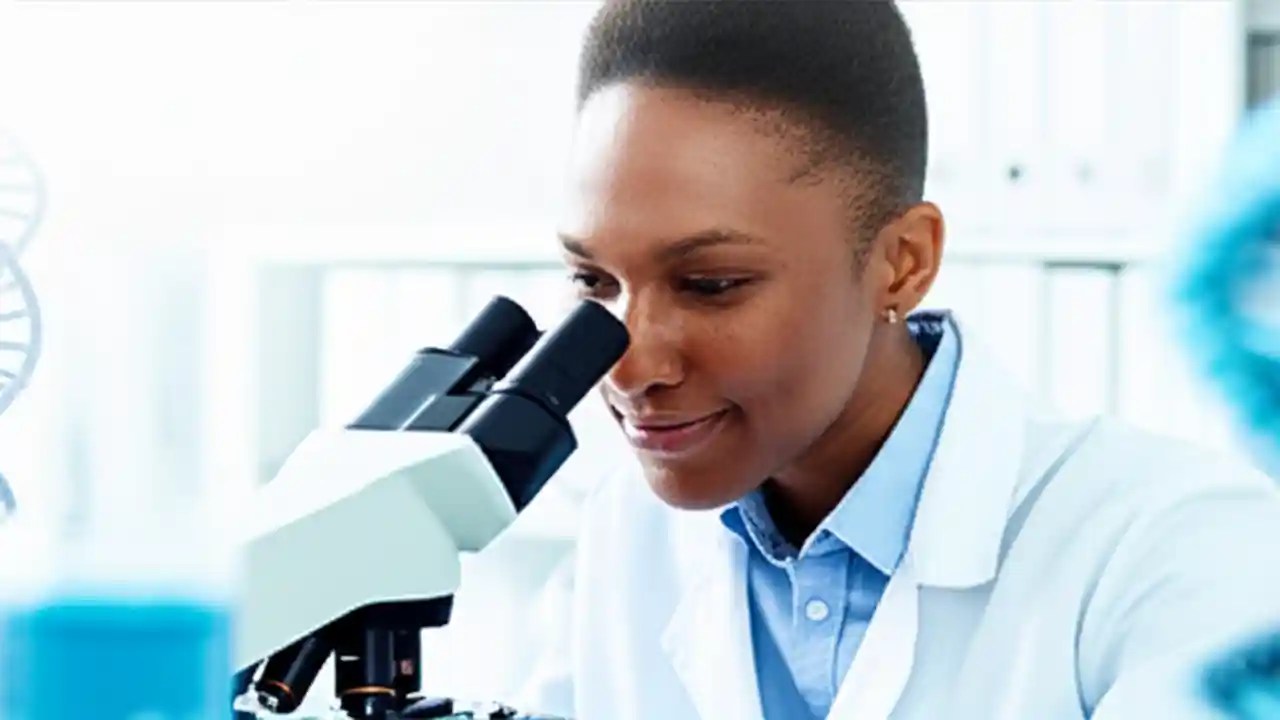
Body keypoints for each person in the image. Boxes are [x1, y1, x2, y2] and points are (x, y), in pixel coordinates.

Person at [513, 2, 1280, 718]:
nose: (626, 364)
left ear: (903, 264)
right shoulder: (626, 534)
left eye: (711, 285)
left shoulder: (1177, 549)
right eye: (593, 281)